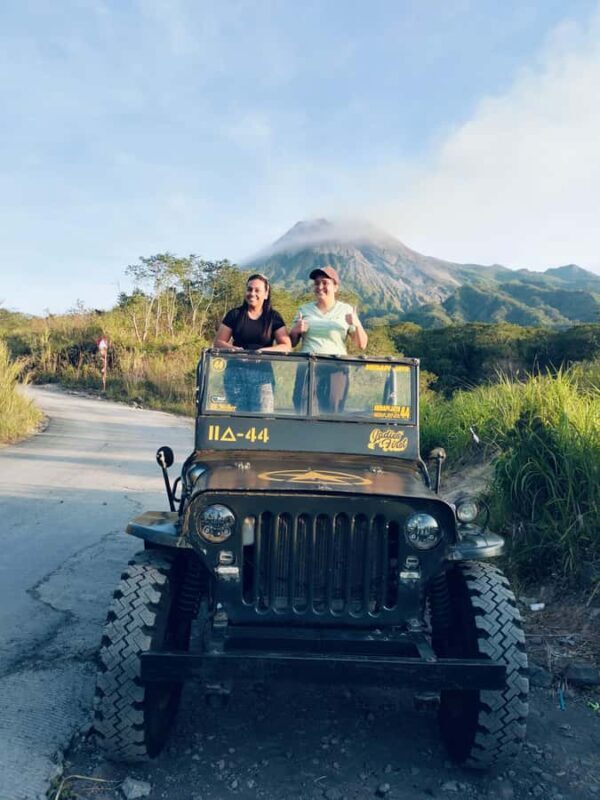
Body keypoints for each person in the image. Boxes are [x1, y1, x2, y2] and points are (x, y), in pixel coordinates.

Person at [289, 266, 367, 412]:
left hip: (336, 368)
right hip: (307, 366)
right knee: (302, 407)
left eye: (325, 283)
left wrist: (356, 324)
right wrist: (295, 330)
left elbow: (361, 344)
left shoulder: (346, 310)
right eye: (316, 283)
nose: (320, 287)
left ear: (335, 287)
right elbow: (291, 343)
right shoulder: (304, 310)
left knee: (333, 409)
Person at [213, 273, 291, 412]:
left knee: (263, 417)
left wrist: (262, 352)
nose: (252, 293)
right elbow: (218, 342)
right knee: (238, 417)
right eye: (249, 289)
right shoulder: (234, 314)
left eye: (257, 290)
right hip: (235, 374)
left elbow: (286, 346)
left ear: (266, 294)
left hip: (263, 375)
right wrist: (234, 350)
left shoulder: (273, 317)